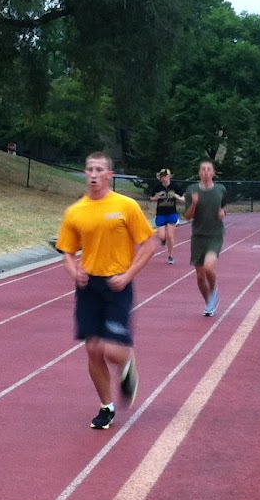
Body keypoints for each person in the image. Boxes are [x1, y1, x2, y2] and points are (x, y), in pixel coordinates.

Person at [56, 152, 158, 429]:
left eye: (99, 169)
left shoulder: (126, 206)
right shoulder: (75, 211)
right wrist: (74, 272)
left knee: (111, 350)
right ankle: (106, 406)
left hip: (117, 284)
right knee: (92, 349)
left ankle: (127, 362)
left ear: (109, 175)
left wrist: (127, 276)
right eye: (89, 169)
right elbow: (67, 252)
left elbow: (149, 244)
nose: (93, 174)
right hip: (89, 287)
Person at [183, 159, 226, 317]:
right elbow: (187, 216)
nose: (206, 172)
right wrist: (194, 204)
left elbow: (223, 206)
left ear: (213, 173)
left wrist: (223, 212)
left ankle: (214, 292)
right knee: (200, 277)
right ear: (199, 172)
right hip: (198, 236)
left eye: (209, 169)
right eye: (203, 169)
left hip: (215, 235)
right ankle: (209, 303)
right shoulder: (192, 190)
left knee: (208, 267)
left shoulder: (220, 189)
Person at [148, 168, 183, 264]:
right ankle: (163, 239)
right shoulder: (158, 187)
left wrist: (175, 196)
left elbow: (183, 199)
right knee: (161, 236)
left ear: (169, 176)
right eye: (162, 177)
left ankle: (170, 256)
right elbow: (151, 198)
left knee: (170, 236)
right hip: (161, 214)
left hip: (172, 213)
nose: (164, 178)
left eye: (165, 176)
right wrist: (157, 197)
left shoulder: (175, 186)